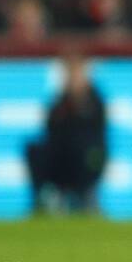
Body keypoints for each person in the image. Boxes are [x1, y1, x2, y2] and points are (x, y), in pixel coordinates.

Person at [25, 51, 108, 213]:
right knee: (34, 149)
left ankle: (85, 195)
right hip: (62, 157)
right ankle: (43, 197)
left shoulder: (94, 100)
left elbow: (97, 132)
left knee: (84, 149)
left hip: (86, 156)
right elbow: (50, 130)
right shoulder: (59, 101)